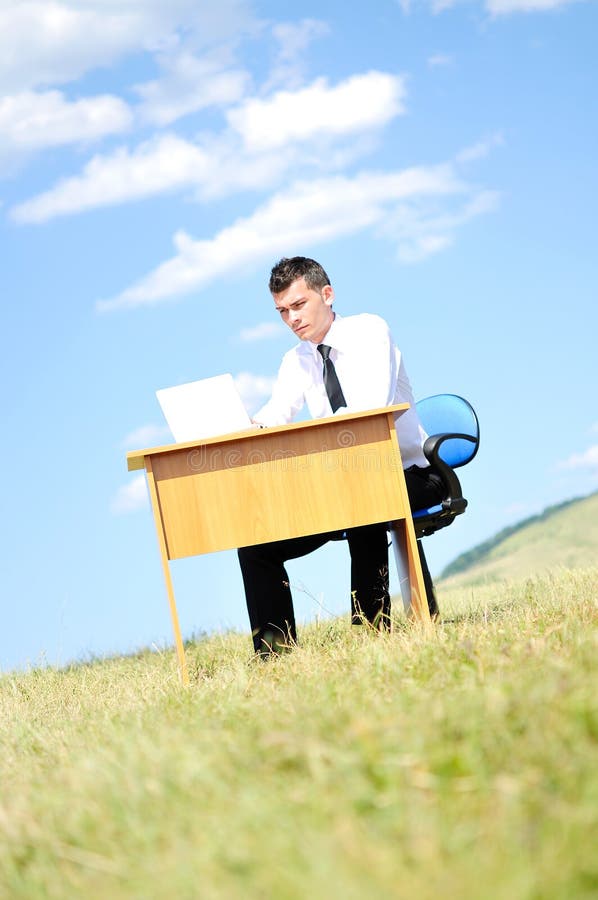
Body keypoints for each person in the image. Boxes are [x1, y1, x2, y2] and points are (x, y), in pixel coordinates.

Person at [238, 256, 444, 656]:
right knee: (256, 543)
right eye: (282, 311)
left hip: (412, 473)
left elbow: (369, 409)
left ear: (326, 294)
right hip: (345, 483)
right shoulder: (295, 360)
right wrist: (246, 427)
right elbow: (275, 415)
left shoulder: (369, 331)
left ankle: (372, 633)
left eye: (298, 305)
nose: (291, 319)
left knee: (362, 499)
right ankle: (275, 652)